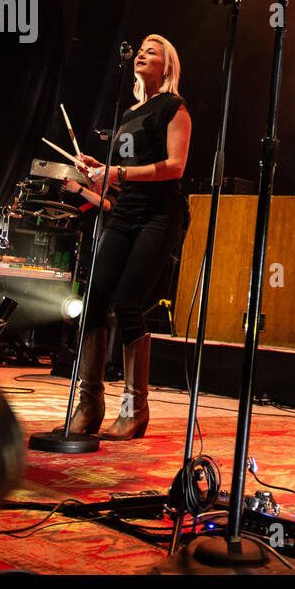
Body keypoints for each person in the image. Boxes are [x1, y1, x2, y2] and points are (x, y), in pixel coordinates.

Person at [70, 35, 191, 441]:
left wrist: (118, 173)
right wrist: (100, 168)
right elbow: (127, 169)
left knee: (127, 301)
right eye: (140, 49)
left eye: (151, 50)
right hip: (126, 212)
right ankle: (90, 404)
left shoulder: (175, 108)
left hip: (160, 215)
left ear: (167, 66)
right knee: (94, 301)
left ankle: (135, 408)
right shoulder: (129, 112)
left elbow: (174, 166)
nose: (141, 53)